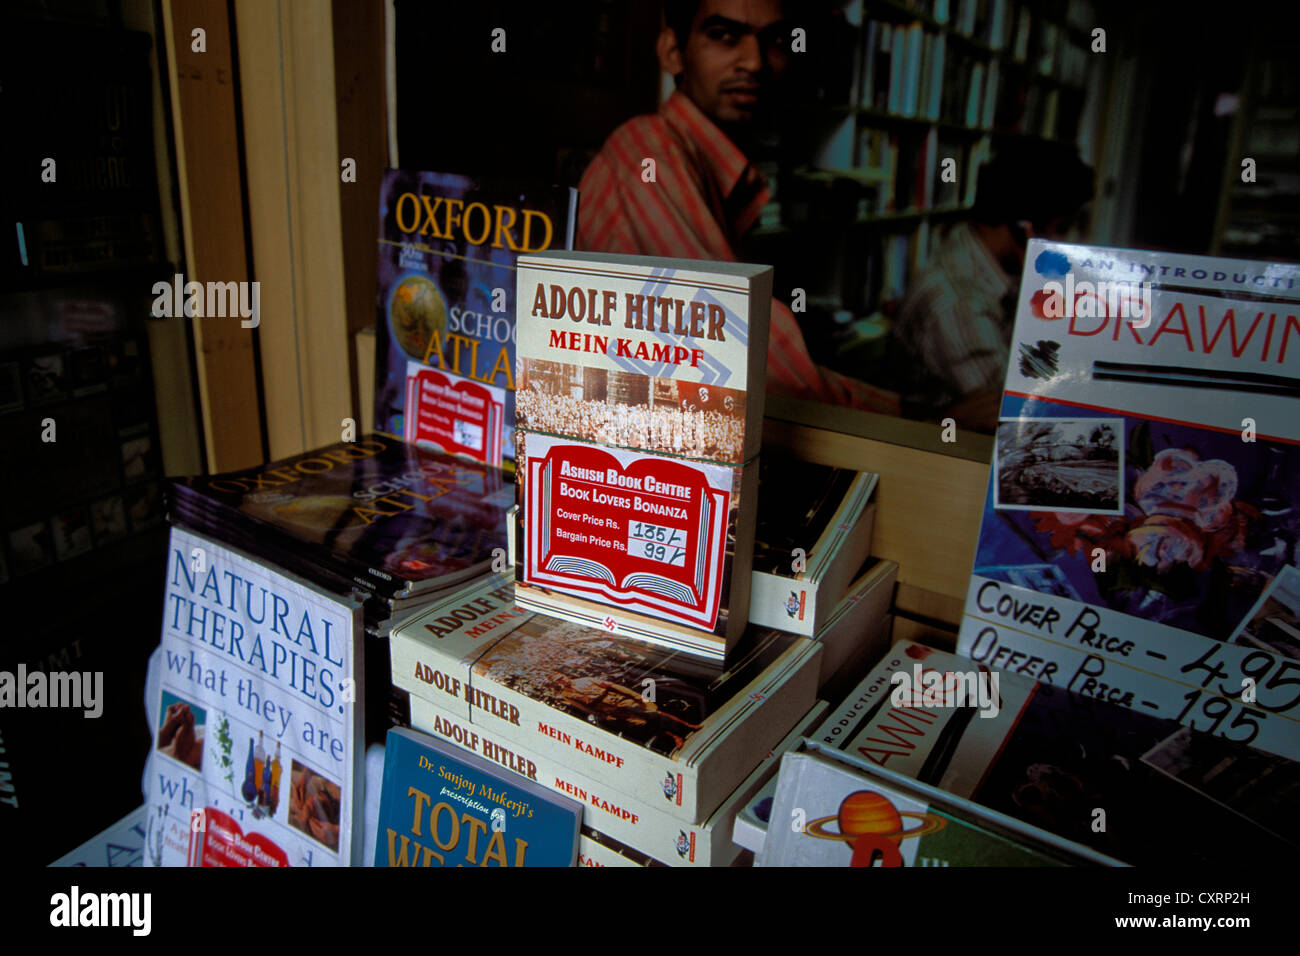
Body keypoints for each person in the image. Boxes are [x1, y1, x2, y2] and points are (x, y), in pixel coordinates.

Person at [578, 0, 899, 414]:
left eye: (776, 41)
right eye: (724, 36)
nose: (755, 62)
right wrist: (913, 416)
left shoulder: (699, 162)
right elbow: (742, 359)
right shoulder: (649, 155)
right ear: (672, 52)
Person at [891, 140, 1095, 432]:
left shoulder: (982, 260)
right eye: (1062, 228)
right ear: (1025, 228)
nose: (1070, 243)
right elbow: (1026, 415)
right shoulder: (959, 302)